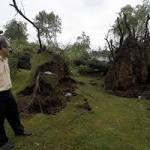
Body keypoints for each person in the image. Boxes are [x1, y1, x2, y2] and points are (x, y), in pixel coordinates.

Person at [0, 37, 32, 150]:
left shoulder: (5, 58)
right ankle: (2, 142)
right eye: (8, 47)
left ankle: (19, 131)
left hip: (8, 92)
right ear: (1, 48)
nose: (10, 49)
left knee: (13, 113)